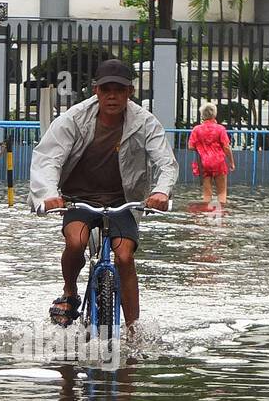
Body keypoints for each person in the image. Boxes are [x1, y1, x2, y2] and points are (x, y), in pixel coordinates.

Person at [29, 59, 177, 331]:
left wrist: (160, 192)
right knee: (76, 241)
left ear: (130, 92)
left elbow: (165, 162)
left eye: (119, 90)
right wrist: (49, 194)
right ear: (96, 90)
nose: (112, 96)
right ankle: (70, 291)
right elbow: (48, 158)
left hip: (124, 201)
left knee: (124, 257)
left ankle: (134, 329)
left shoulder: (145, 122)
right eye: (106, 89)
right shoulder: (74, 118)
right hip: (79, 198)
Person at [188, 102, 236, 208]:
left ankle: (205, 214)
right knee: (222, 193)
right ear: (214, 114)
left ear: (202, 115)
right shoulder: (220, 129)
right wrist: (232, 162)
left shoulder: (196, 129)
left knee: (207, 194)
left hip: (203, 163)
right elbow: (226, 147)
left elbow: (191, 147)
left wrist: (202, 147)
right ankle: (221, 214)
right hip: (219, 162)